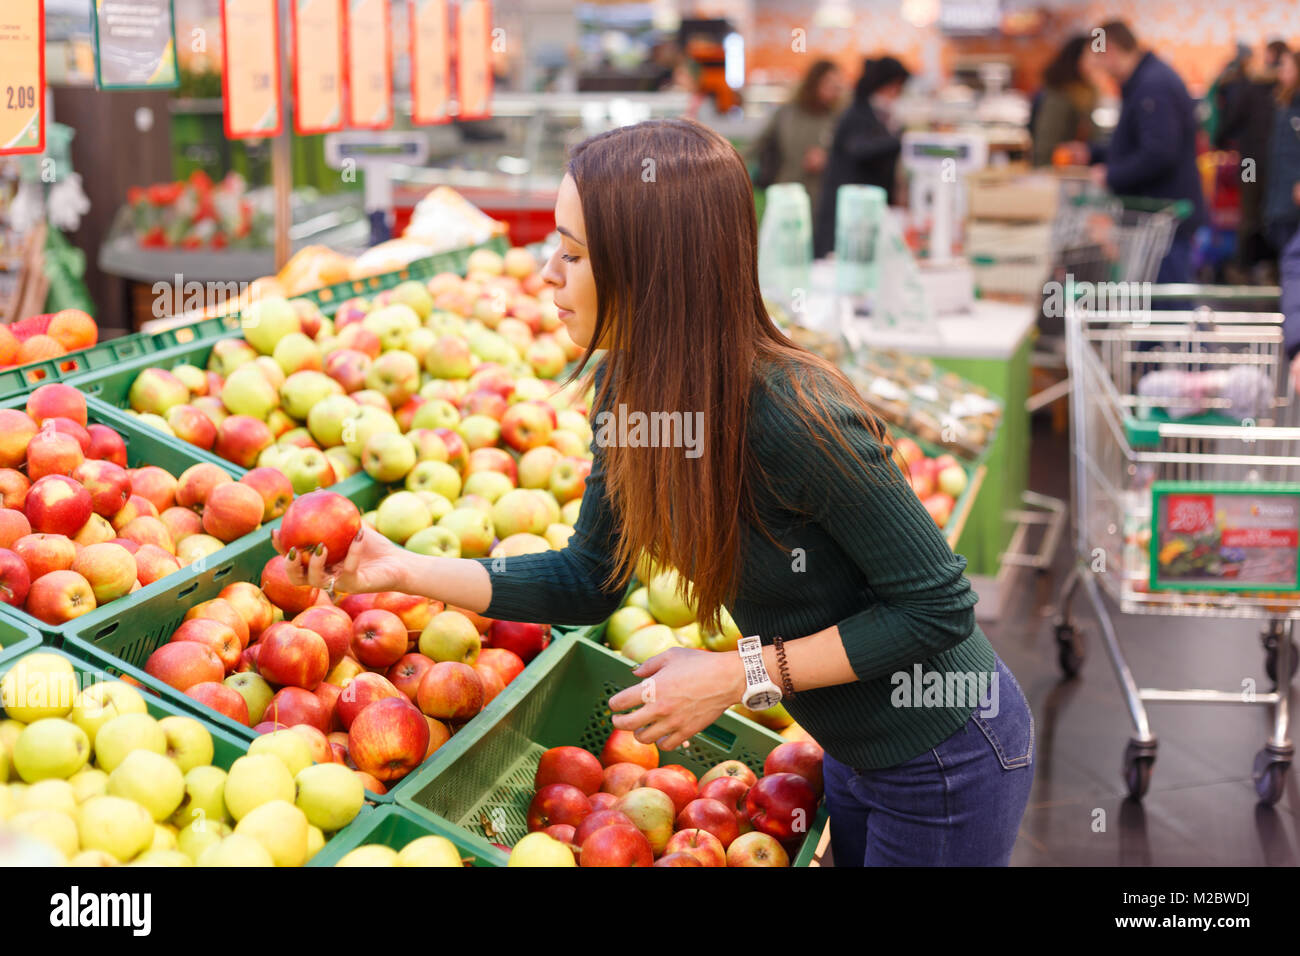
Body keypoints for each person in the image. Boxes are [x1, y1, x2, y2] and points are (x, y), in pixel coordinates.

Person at [278, 118, 1035, 867]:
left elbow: (935, 610)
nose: (545, 274)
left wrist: (743, 672)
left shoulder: (794, 416)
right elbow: (588, 579)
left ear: (649, 271)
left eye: (571, 254)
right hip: (853, 750)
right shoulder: (630, 393)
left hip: (945, 754)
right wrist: (404, 571)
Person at [1086, 20, 1207, 283]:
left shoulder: (1153, 86)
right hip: (1160, 218)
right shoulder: (1145, 82)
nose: (1098, 67)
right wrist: (1093, 154)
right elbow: (1139, 145)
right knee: (1163, 304)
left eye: (1098, 57)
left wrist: (1111, 175)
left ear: (1112, 51)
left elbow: (1159, 153)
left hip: (1164, 219)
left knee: (1169, 308)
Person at [814, 56, 911, 258]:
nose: (896, 94)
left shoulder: (880, 116)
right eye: (894, 87)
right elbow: (860, 150)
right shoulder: (856, 115)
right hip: (845, 218)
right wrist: (901, 141)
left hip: (862, 216)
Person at [1217, 41, 1290, 279]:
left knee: (1249, 214)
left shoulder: (1252, 86)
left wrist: (1219, 141)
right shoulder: (1285, 90)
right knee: (1271, 214)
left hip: (1251, 161)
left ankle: (1245, 266)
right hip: (1274, 166)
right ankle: (1272, 266)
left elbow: (1232, 120)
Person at [750, 58, 846, 235]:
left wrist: (829, 158)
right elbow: (758, 144)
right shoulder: (787, 113)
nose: (834, 90)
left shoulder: (838, 118)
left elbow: (849, 156)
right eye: (829, 84)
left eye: (837, 85)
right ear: (815, 82)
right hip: (785, 195)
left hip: (821, 201)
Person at [1031, 35, 1098, 167]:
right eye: (1091, 56)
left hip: (1072, 170)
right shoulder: (1060, 96)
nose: (1096, 62)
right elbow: (1045, 147)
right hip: (1057, 172)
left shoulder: (1083, 92)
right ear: (1076, 59)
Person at [1264, 50, 1300, 260]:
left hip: (1293, 202)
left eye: (1286, 67)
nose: (1280, 73)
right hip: (1279, 197)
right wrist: (1249, 176)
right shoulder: (1283, 105)